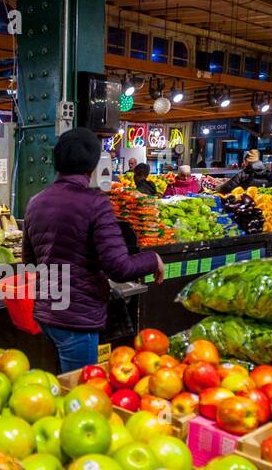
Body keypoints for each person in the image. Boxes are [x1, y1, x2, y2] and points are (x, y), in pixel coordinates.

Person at [23, 128, 165, 372]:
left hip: (47, 313)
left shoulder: (36, 202)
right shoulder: (95, 203)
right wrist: (153, 259)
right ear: (93, 165)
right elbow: (119, 267)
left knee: (60, 387)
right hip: (77, 318)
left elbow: (29, 262)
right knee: (82, 391)